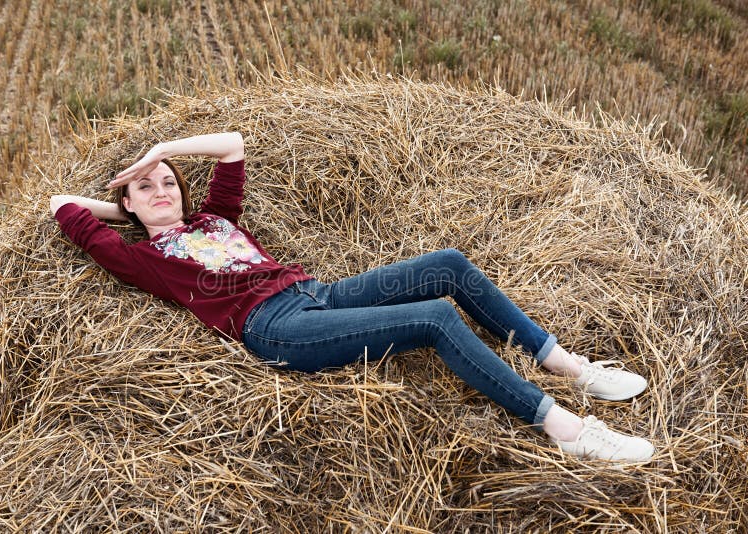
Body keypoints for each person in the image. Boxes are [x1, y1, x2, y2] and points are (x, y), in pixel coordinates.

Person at [50, 132, 654, 463]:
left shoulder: (215, 218)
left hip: (318, 294)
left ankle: (567, 366)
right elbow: (64, 209)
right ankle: (567, 429)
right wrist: (127, 206)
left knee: (445, 266)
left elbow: (233, 144)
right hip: (274, 327)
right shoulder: (145, 259)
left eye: (165, 183)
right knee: (437, 318)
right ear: (128, 207)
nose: (160, 189)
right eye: (145, 189)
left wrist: (162, 154)